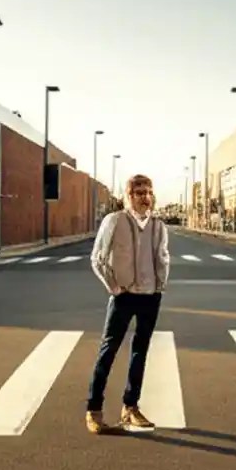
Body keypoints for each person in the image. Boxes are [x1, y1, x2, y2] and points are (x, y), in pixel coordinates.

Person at [85, 173, 171, 434]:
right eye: (140, 192)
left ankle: (130, 408)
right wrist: (115, 288)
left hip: (151, 296)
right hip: (123, 296)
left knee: (140, 352)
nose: (145, 197)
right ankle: (94, 409)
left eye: (148, 192)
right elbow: (97, 258)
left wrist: (160, 287)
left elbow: (163, 258)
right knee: (108, 350)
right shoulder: (115, 221)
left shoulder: (158, 226)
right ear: (129, 196)